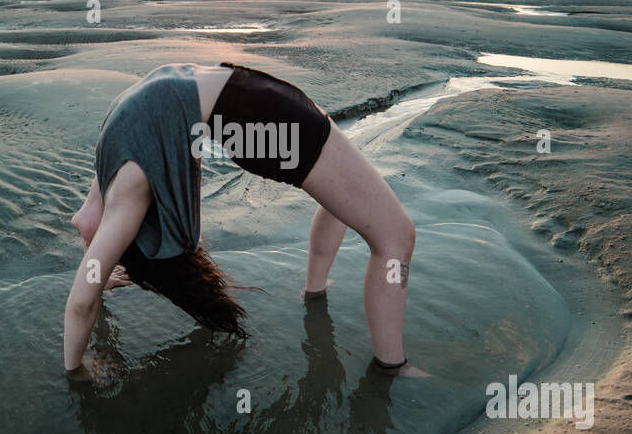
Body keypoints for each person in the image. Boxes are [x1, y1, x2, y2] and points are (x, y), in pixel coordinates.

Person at [64, 63, 424, 381]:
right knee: (396, 236)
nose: (91, 237)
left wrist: (102, 277)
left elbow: (86, 225)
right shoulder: (126, 186)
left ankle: (315, 291)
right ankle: (392, 365)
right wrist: (76, 368)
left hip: (252, 102)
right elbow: (81, 300)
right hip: (260, 116)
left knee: (340, 196)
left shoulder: (116, 172)